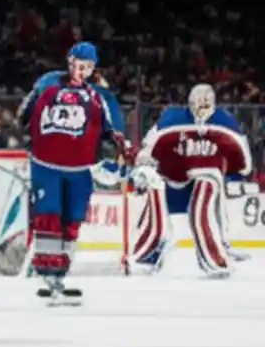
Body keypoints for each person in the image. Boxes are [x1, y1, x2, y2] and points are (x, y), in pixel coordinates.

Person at [17, 42, 132, 302]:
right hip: (46, 166)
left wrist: (121, 145)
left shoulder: (98, 94)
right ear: (70, 62)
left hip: (80, 169)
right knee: (49, 216)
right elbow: (24, 113)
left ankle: (61, 271)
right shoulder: (48, 83)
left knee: (72, 219)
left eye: (88, 67)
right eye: (80, 65)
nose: (83, 71)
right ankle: (48, 271)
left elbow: (114, 127)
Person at [130, 84, 253, 277]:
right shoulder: (173, 119)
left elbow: (242, 156)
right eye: (197, 104)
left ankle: (215, 256)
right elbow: (149, 146)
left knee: (203, 201)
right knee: (153, 183)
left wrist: (239, 176)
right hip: (172, 174)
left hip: (206, 174)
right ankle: (150, 250)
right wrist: (142, 166)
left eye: (205, 104)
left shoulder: (225, 122)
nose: (200, 109)